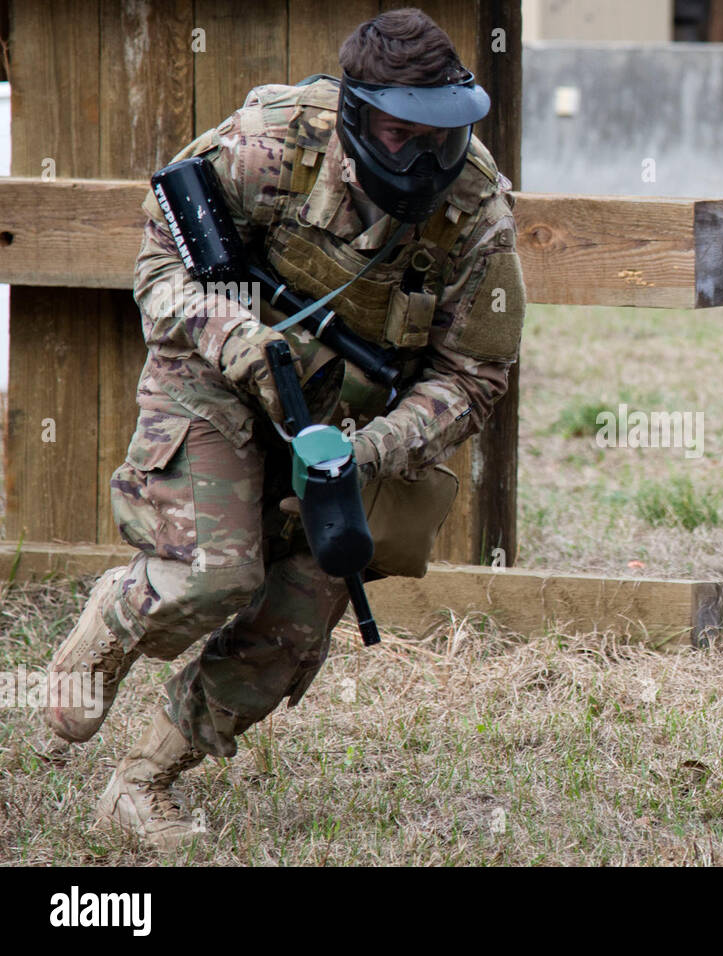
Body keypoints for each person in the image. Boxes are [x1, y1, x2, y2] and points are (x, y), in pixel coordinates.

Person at [40, 8, 525, 850]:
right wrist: (235, 337)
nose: (424, 159)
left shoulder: (474, 212)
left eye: (442, 138)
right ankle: (116, 620)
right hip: (219, 379)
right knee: (217, 576)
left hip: (350, 426)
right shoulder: (267, 145)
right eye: (400, 135)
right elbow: (157, 268)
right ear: (354, 117)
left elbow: (474, 377)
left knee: (297, 618)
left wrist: (371, 451)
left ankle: (144, 781)